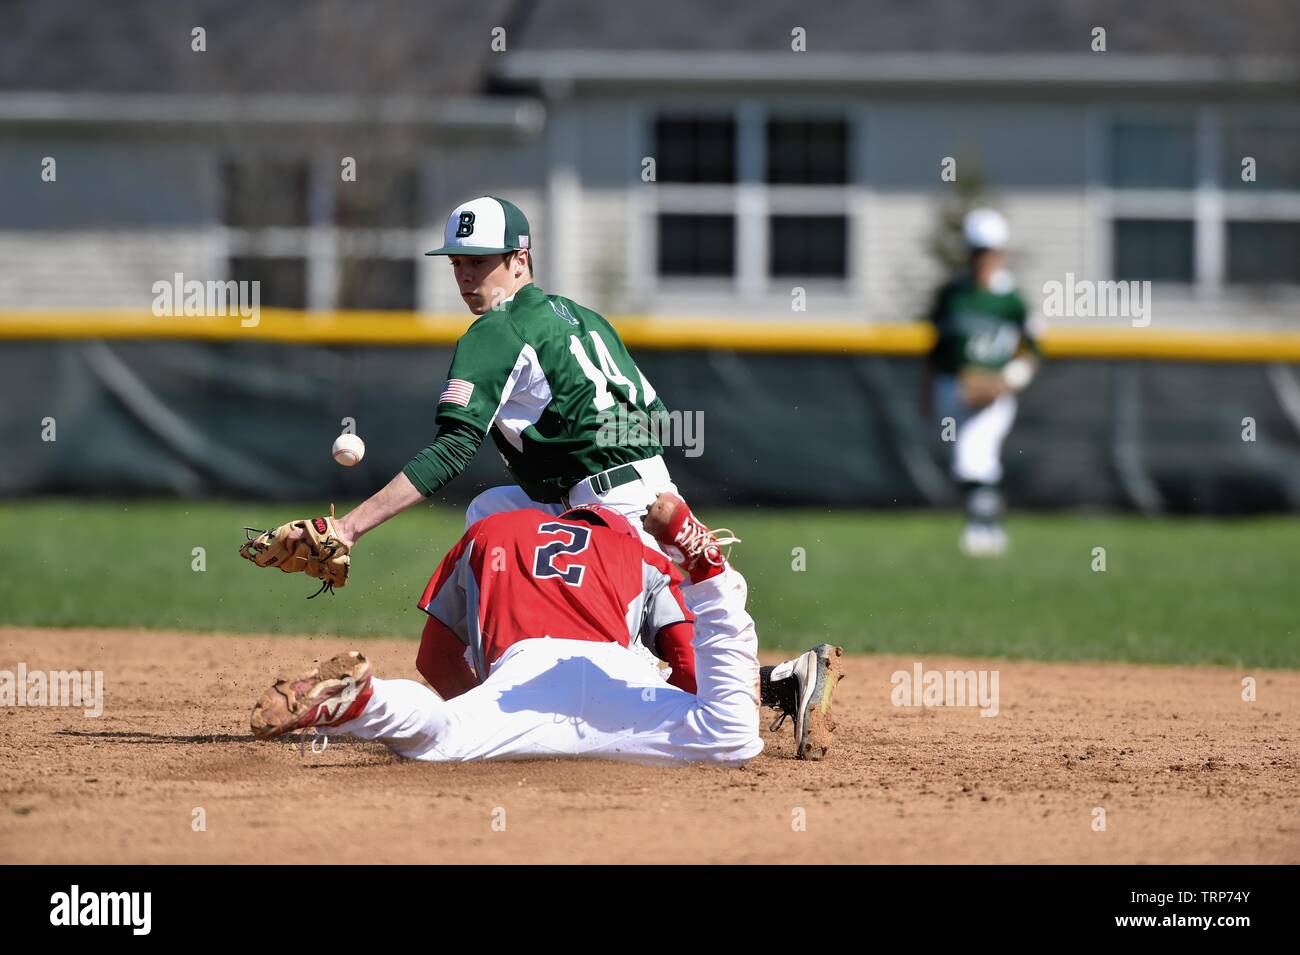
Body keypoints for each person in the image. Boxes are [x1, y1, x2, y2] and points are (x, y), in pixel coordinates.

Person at [242, 196, 836, 753]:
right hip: (643, 491)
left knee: (651, 683)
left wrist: (350, 528)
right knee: (491, 516)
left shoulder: (496, 331)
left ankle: (773, 685)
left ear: (520, 259)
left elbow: (452, 451)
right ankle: (502, 690)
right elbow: (650, 416)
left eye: (481, 262)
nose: (466, 276)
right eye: (458, 263)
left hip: (617, 510)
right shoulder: (585, 318)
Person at [249, 497, 841, 763]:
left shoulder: (490, 532)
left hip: (520, 678)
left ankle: (364, 701)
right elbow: (688, 664)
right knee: (731, 738)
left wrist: (491, 714)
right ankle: (714, 574)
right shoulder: (638, 551)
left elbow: (435, 657)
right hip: (619, 675)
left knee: (441, 735)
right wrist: (669, 713)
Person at [924, 208, 1044, 557]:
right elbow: (937, 347)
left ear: (1001, 253)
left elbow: (1034, 349)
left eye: (989, 251)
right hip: (954, 387)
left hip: (996, 391)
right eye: (977, 251)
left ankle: (983, 530)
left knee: (973, 455)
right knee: (968, 461)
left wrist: (1006, 381)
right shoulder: (953, 294)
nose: (982, 259)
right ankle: (986, 527)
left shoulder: (1011, 299)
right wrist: (927, 392)